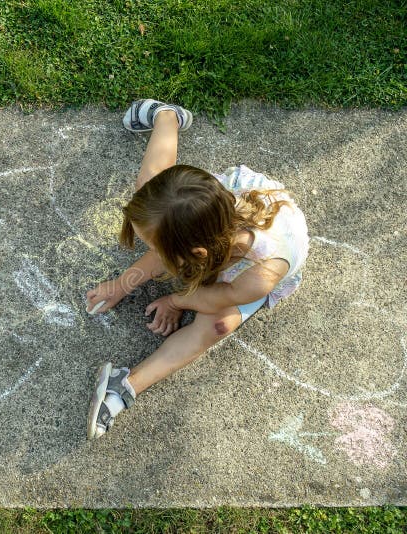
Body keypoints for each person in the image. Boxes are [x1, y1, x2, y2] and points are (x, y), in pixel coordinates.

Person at [85, 99, 310, 439]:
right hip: (218, 203)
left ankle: (123, 388)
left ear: (197, 253)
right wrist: (122, 284)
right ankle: (166, 116)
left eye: (154, 248)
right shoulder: (197, 230)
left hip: (246, 262)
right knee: (150, 187)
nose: (148, 252)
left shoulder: (262, 274)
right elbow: (163, 255)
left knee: (219, 324)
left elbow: (220, 297)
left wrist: (177, 301)